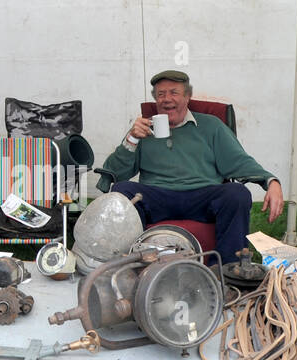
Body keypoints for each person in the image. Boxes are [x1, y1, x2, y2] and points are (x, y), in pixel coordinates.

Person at [98, 69, 284, 263]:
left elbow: (239, 161)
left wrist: (271, 181)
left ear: (187, 97)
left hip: (201, 197)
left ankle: (226, 272)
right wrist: (132, 138)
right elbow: (115, 174)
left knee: (236, 193)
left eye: (174, 92)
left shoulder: (211, 126)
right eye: (161, 94)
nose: (167, 99)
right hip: (157, 196)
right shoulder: (143, 129)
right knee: (122, 190)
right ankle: (130, 264)